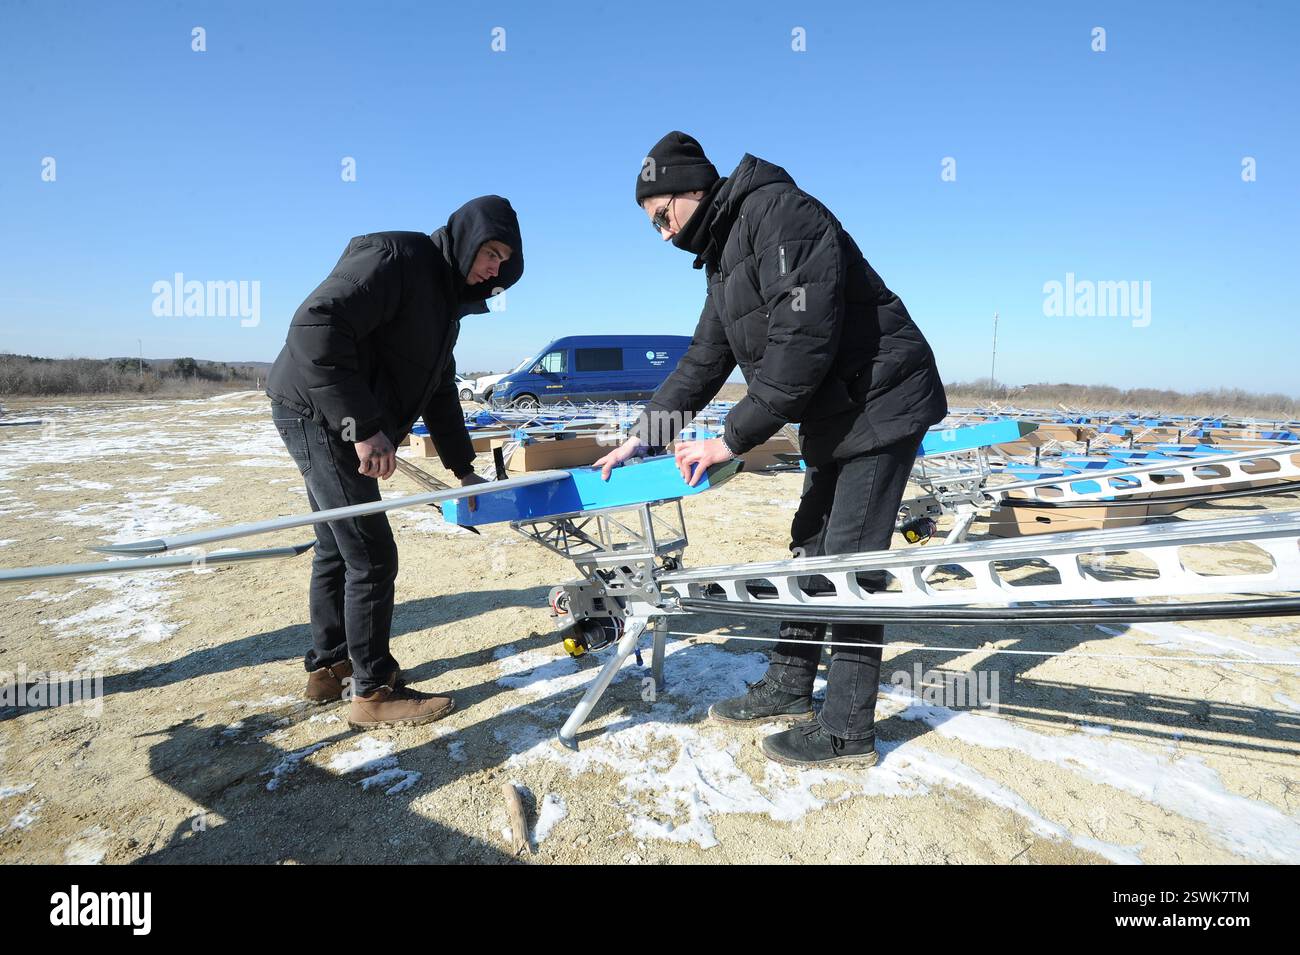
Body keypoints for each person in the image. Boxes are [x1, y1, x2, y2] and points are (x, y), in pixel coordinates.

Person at [595, 132, 947, 767]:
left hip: (880, 403)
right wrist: (642, 436)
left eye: (662, 217)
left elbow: (801, 341)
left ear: (691, 190)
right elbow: (704, 360)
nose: (665, 235)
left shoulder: (781, 214)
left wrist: (731, 438)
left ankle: (847, 731)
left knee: (848, 565)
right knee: (808, 546)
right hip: (837, 414)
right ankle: (790, 685)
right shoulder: (725, 258)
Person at [266, 196, 523, 729]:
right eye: (491, 252)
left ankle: (331, 666)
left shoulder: (445, 302)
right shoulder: (396, 258)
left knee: (337, 545)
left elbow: (439, 391)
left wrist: (462, 469)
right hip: (318, 411)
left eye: (504, 260)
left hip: (328, 412)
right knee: (371, 553)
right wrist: (362, 427)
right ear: (466, 237)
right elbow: (316, 327)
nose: (495, 267)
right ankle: (373, 691)